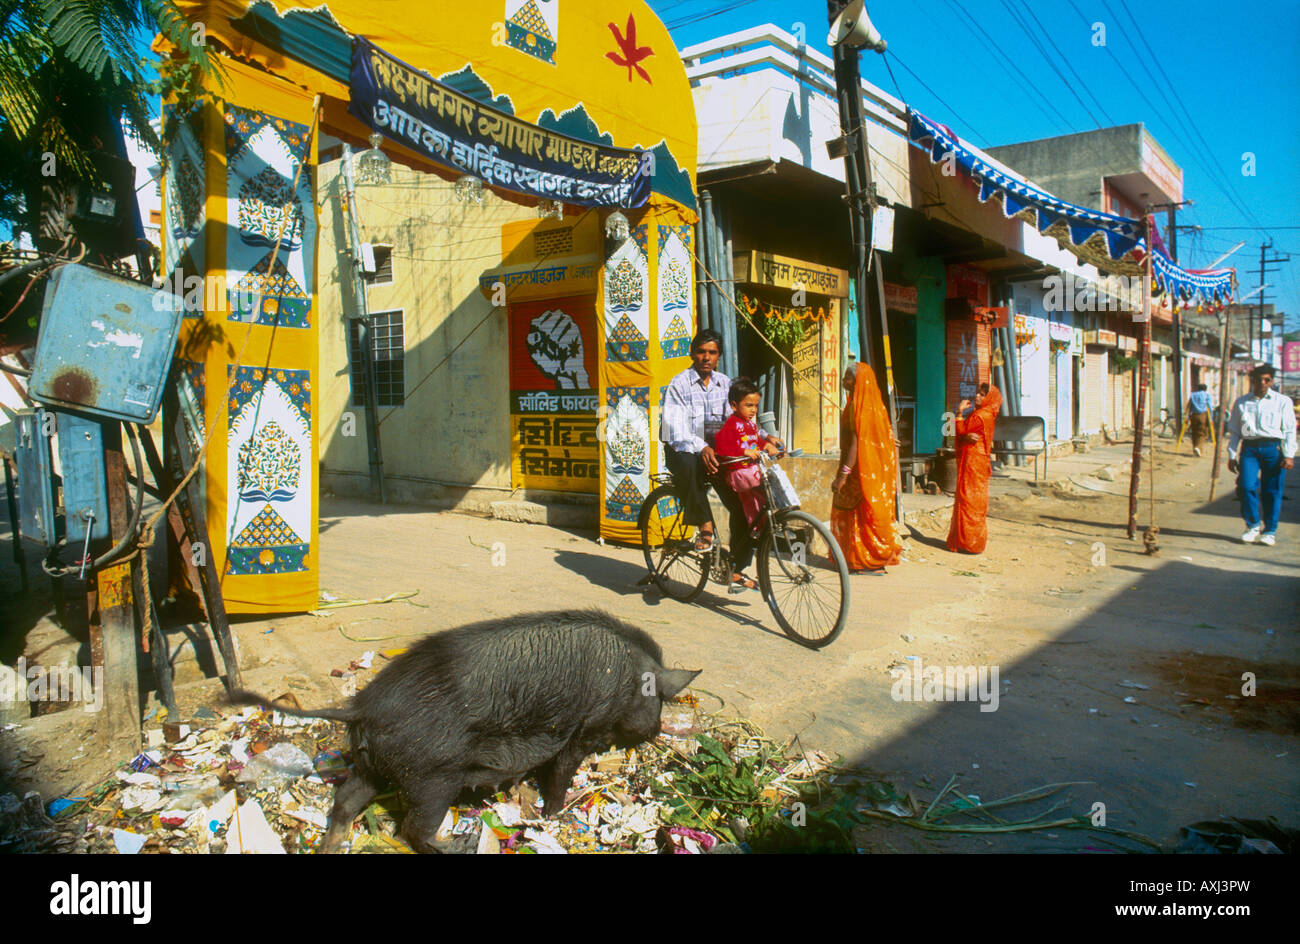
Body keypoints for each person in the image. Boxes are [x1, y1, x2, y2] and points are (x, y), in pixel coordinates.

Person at [660, 330, 756, 591]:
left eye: (712, 353)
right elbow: (675, 430)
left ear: (718, 357)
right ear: (693, 354)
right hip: (684, 450)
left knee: (742, 505)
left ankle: (735, 566)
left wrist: (765, 438)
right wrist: (702, 447)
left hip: (717, 453)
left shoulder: (725, 384)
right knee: (690, 465)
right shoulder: (679, 384)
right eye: (701, 351)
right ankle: (704, 527)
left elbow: (741, 420)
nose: (706, 357)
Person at [830, 360, 902, 573]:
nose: (844, 381)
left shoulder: (858, 408)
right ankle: (871, 557)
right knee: (869, 511)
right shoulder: (875, 405)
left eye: (847, 378)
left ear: (857, 381)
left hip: (858, 471)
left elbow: (855, 444)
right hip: (875, 472)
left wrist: (843, 476)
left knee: (855, 512)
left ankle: (862, 559)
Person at [1227, 363, 1296, 546]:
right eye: (1258, 380)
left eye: (1267, 379)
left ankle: (1270, 531)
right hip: (1249, 448)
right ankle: (1252, 525)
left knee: (1272, 490)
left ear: (1272, 381)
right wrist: (1232, 455)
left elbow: (1289, 430)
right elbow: (1235, 431)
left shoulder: (1283, 402)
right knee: (1246, 485)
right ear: (1252, 381)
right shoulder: (1242, 402)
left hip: (1273, 449)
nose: (1262, 383)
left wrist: (1289, 455)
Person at [714, 377, 783, 534]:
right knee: (759, 494)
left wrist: (766, 445)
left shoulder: (750, 424)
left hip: (750, 471)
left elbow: (755, 441)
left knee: (756, 503)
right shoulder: (732, 424)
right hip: (738, 472)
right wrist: (744, 452)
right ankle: (760, 527)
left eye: (756, 406)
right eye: (749, 405)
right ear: (734, 406)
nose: (754, 410)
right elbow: (722, 446)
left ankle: (764, 526)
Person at [947, 383, 1003, 554]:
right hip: (977, 461)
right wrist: (964, 435)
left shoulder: (980, 416)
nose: (977, 396)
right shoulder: (983, 414)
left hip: (973, 462)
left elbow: (959, 429)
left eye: (982, 394)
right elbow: (965, 433)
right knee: (974, 501)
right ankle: (968, 541)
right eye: (978, 393)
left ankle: (968, 542)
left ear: (989, 398)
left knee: (968, 500)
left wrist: (958, 413)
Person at [1187, 383, 1213, 456]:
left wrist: (1187, 417)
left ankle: (1195, 447)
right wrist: (1211, 418)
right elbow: (1210, 407)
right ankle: (1198, 447)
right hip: (1203, 416)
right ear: (1205, 389)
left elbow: (1189, 406)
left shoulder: (1193, 395)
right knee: (1202, 433)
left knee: (1194, 432)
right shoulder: (1206, 395)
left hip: (1194, 416)